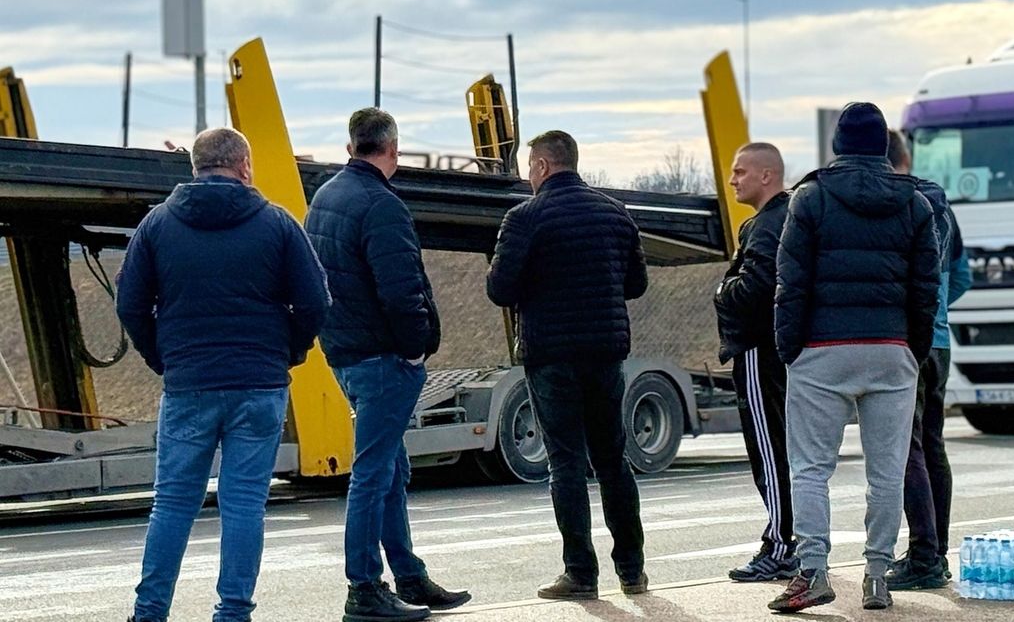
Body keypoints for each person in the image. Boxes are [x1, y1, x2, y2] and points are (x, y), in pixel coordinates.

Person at [117, 127, 331, 622]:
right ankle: (233, 613)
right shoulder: (277, 224)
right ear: (244, 166)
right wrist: (288, 351)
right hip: (259, 384)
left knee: (171, 504)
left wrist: (163, 358)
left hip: (189, 382)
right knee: (243, 505)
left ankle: (149, 614)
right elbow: (317, 301)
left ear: (196, 167)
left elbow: (130, 305)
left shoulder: (156, 226)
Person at [769, 103, 940, 613]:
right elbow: (926, 289)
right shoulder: (916, 204)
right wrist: (913, 349)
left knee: (810, 469)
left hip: (822, 350)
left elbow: (790, 283)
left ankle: (814, 572)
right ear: (885, 150)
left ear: (838, 145)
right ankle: (877, 576)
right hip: (891, 350)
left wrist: (790, 351)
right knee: (886, 473)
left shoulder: (811, 198)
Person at [304, 108, 469, 622]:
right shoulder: (381, 204)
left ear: (351, 145)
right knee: (374, 473)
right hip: (383, 357)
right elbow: (401, 291)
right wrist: (416, 347)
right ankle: (364, 587)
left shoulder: (325, 198)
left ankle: (409, 574)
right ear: (392, 149)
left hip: (346, 354)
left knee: (391, 469)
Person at [486, 130, 650, 601]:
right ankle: (632, 570)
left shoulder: (524, 218)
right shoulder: (615, 214)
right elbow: (635, 284)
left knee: (566, 462)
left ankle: (580, 572)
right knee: (613, 459)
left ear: (540, 166)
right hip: (604, 352)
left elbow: (500, 288)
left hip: (551, 357)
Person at [885, 130, 973, 591]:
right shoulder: (941, 204)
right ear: (905, 156)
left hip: (907, 340)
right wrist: (939, 308)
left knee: (906, 449)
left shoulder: (898, 205)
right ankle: (935, 552)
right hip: (940, 342)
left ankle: (922, 556)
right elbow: (962, 276)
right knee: (932, 445)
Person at [713, 142, 796, 581]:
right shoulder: (792, 216)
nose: (732, 180)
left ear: (767, 176)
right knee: (789, 448)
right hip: (785, 347)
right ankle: (790, 538)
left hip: (758, 351)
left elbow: (756, 287)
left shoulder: (764, 225)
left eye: (740, 172)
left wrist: (721, 293)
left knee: (768, 447)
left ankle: (781, 546)